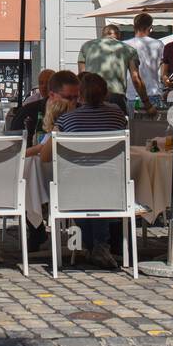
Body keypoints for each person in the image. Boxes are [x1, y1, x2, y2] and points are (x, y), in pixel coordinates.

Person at [40, 72, 126, 269]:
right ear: (105, 94)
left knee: (84, 183)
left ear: (80, 95)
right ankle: (99, 246)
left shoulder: (68, 120)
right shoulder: (117, 115)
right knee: (99, 182)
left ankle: (92, 246)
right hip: (112, 186)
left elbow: (45, 157)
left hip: (75, 189)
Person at [79, 27, 153, 116]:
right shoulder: (129, 49)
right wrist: (147, 104)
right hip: (116, 97)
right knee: (119, 126)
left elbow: (82, 75)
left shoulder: (86, 47)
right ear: (119, 35)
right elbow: (135, 78)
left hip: (90, 96)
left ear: (102, 34)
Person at [13, 70, 80, 147]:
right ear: (52, 95)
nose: (72, 102)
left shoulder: (81, 113)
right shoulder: (28, 111)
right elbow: (14, 144)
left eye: (76, 97)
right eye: (67, 98)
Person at [126, 13, 164, 107]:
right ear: (150, 27)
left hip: (131, 95)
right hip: (153, 93)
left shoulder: (125, 45)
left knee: (132, 122)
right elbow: (162, 67)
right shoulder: (159, 44)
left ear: (134, 27)